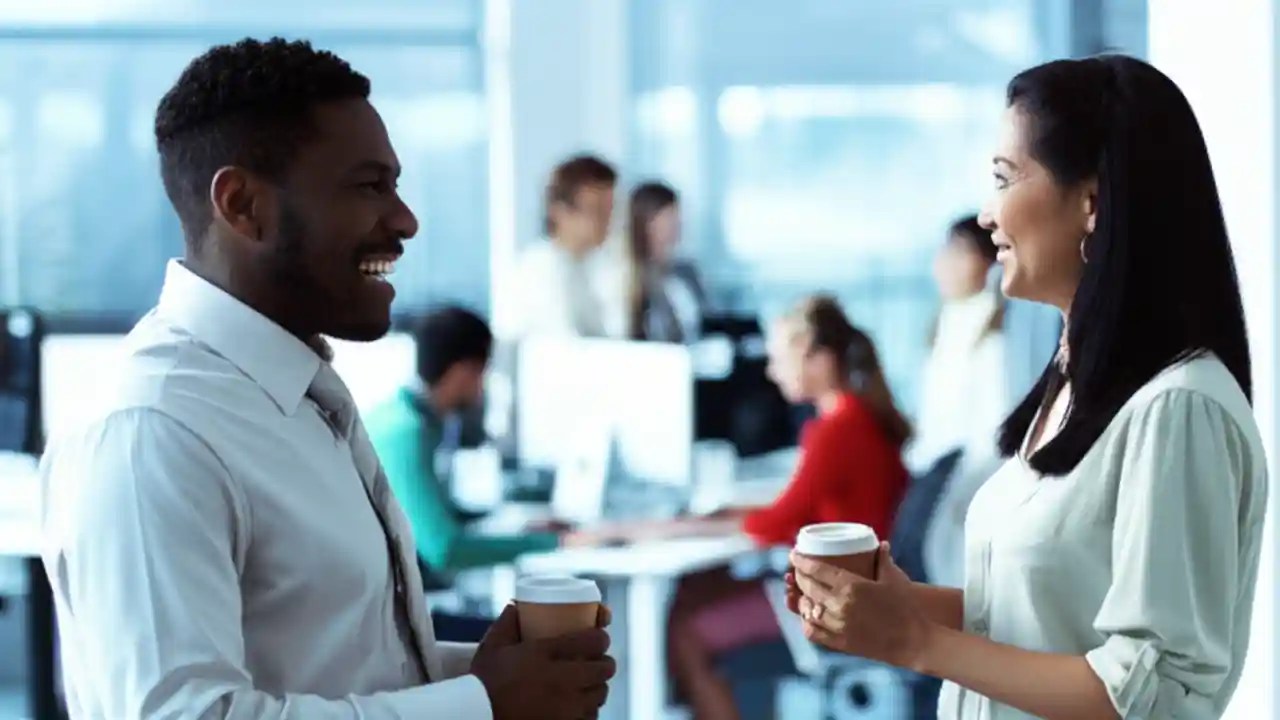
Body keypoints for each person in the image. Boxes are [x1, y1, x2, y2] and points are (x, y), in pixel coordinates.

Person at [39, 38, 613, 720]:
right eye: (369, 186)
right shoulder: (151, 432)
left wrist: (492, 676)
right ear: (244, 205)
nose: (405, 220)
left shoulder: (296, 395)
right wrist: (482, 703)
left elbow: (347, 670)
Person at [787, 55, 1268, 720]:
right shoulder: (1074, 387)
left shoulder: (1177, 407)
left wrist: (916, 641)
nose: (987, 215)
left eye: (1003, 178)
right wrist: (894, 609)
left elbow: (1149, 695)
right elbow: (1035, 618)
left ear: (1092, 202)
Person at [653, 295, 911, 720]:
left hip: (834, 602)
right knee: (693, 590)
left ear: (817, 358)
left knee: (687, 632)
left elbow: (775, 525)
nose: (772, 372)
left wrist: (687, 525)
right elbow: (797, 511)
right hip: (849, 588)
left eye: (780, 359)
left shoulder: (839, 428)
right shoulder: (855, 417)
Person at [366, 305, 594, 574]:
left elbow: (435, 519)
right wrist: (557, 543)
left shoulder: (397, 417)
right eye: (482, 374)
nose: (482, 387)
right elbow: (445, 549)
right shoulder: (405, 433)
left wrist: (524, 531)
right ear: (464, 371)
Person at [912, 214, 1009, 589]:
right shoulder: (949, 323)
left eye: (958, 252)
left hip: (966, 476)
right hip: (935, 469)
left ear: (990, 259)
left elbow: (991, 427)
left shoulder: (995, 332)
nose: (943, 264)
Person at [505, 154, 629, 339]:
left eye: (610, 210)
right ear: (559, 212)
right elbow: (568, 345)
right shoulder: (539, 270)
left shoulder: (591, 267)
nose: (607, 221)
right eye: (596, 210)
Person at [626, 181, 706, 342]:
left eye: (676, 215)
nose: (676, 224)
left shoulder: (687, 272)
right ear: (646, 221)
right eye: (668, 216)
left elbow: (709, 321)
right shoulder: (632, 276)